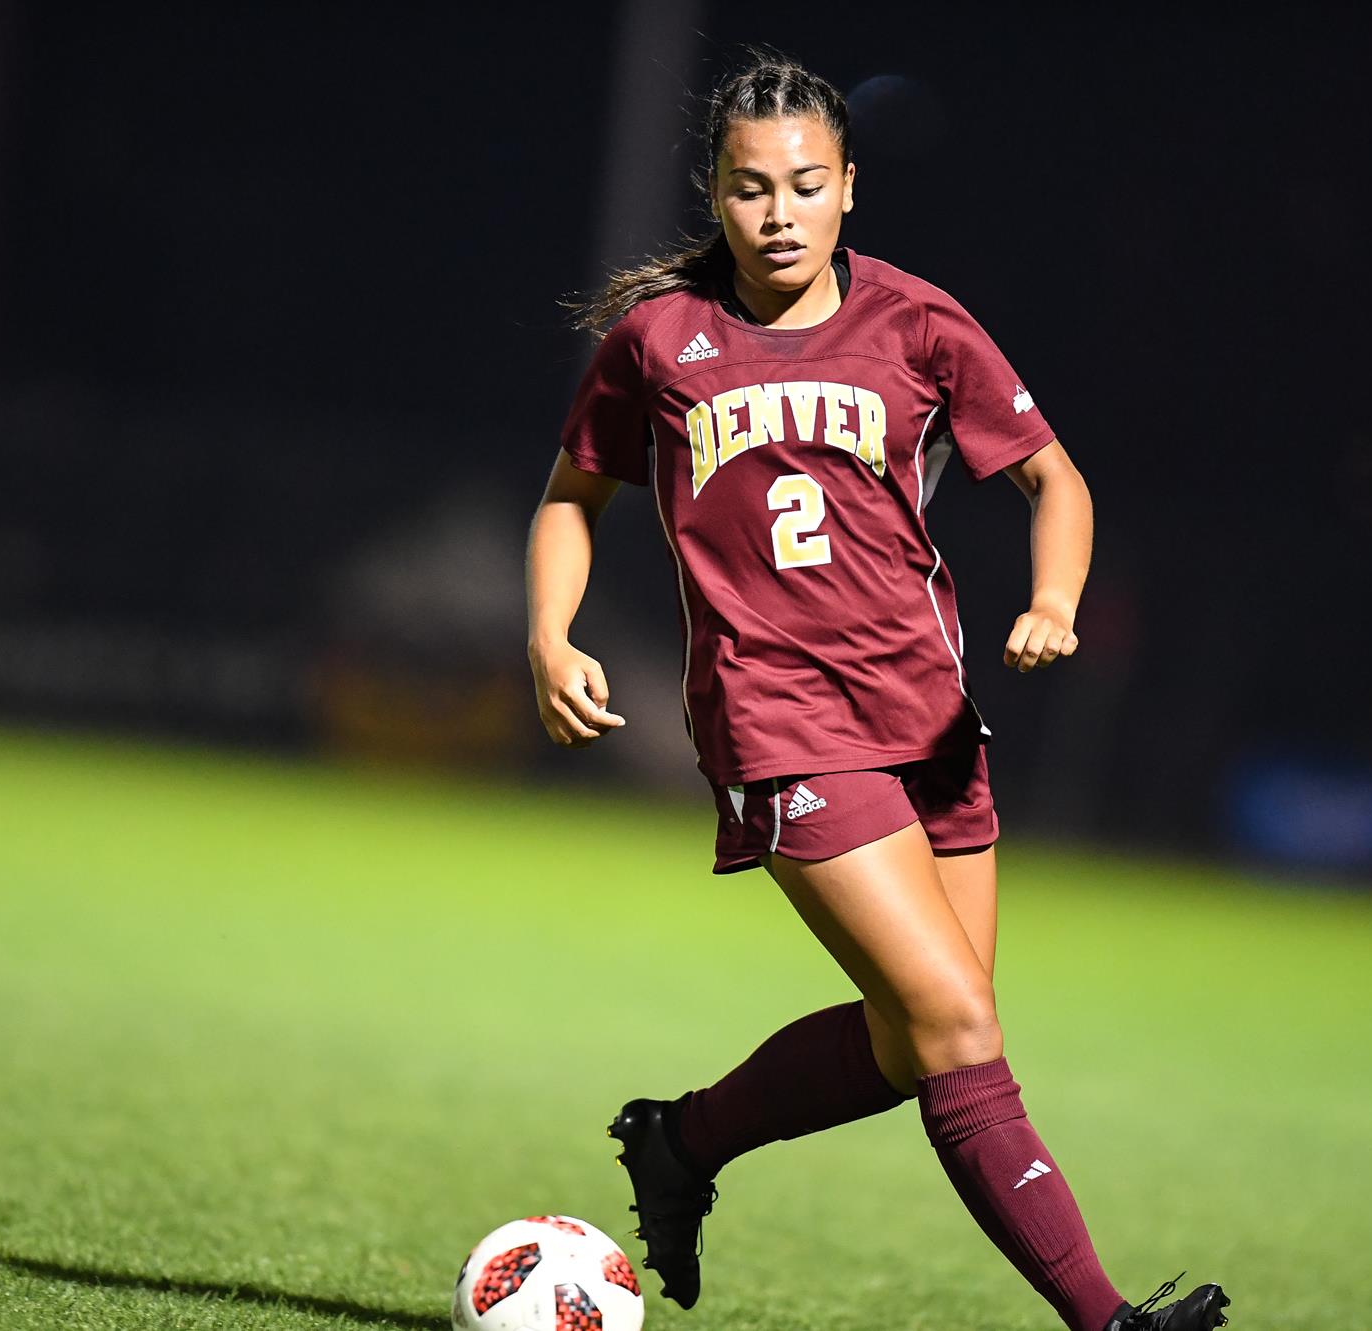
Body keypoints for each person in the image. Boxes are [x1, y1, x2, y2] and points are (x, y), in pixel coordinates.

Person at [524, 51, 1230, 1331]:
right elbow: (573, 497)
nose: (777, 212)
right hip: (780, 723)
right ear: (716, 195)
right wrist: (547, 632)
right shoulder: (660, 342)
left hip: (932, 722)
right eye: (749, 189)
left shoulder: (915, 320)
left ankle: (680, 1141)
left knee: (920, 1042)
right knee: (954, 1019)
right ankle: (1109, 1322)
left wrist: (1054, 601)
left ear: (848, 188)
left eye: (803, 184)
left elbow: (1052, 480)